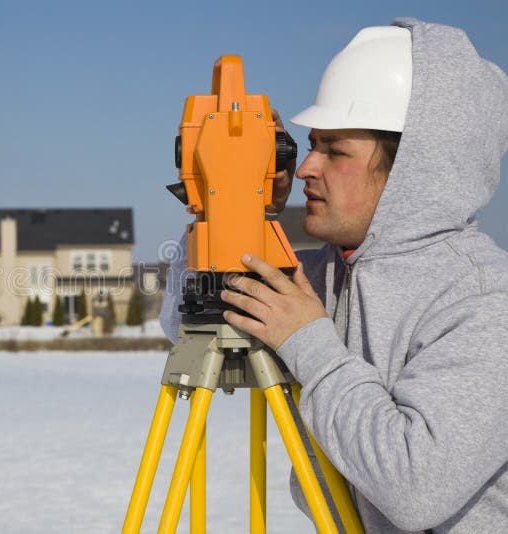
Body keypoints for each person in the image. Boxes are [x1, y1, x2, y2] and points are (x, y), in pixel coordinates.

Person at [160, 18, 508, 532]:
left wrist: (310, 345)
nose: (304, 169)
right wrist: (237, 208)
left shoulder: (483, 301)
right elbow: (185, 323)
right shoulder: (323, 278)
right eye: (309, 145)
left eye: (334, 150)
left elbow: (417, 488)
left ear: (413, 170)